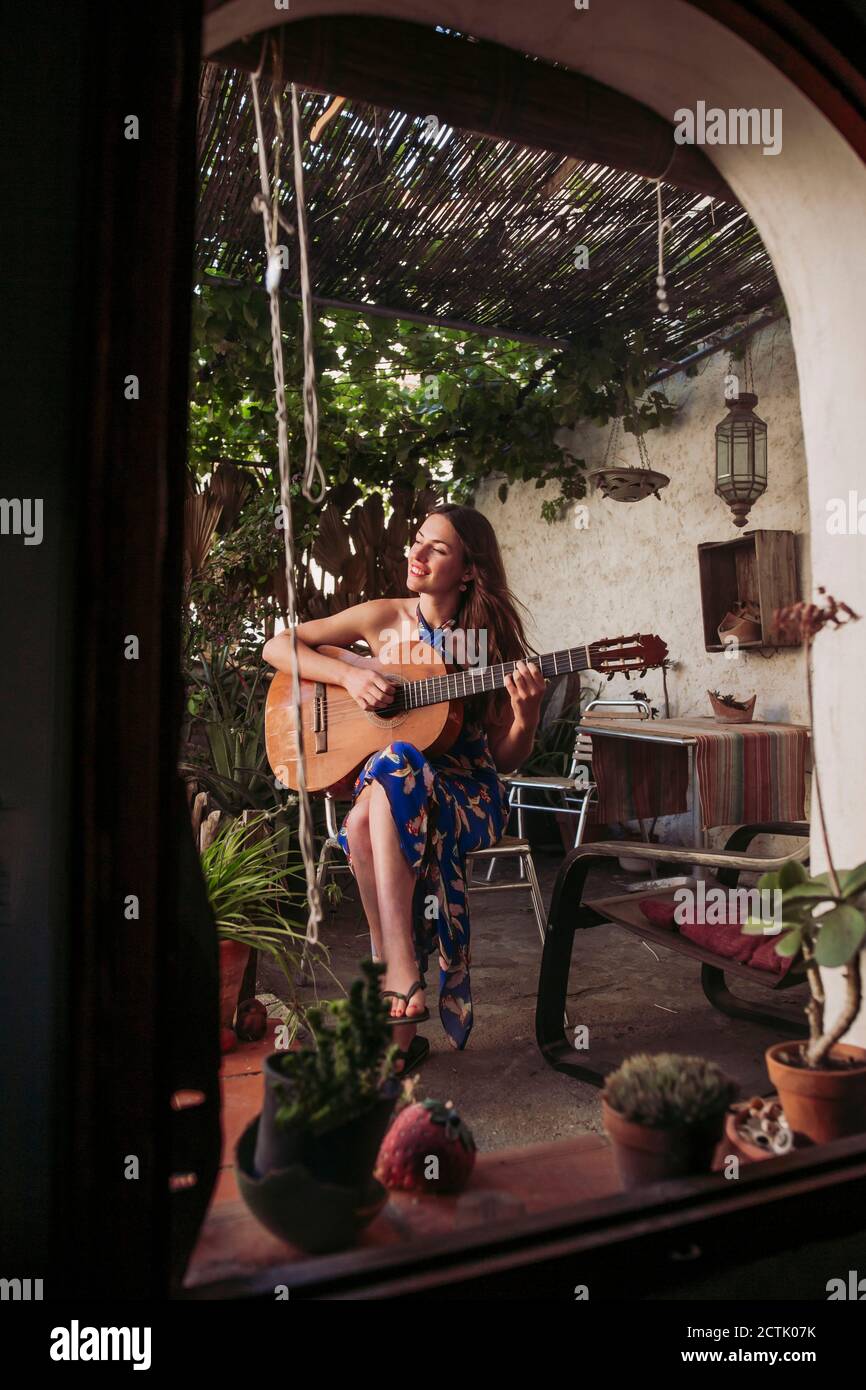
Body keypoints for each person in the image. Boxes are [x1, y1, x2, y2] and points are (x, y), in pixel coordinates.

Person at [262, 502, 545, 1070]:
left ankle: (394, 975)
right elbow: (278, 646)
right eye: (417, 540)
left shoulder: (487, 643)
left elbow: (506, 755)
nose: (415, 554)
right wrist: (352, 674)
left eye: (435, 549)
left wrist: (526, 719)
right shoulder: (383, 619)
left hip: (468, 793)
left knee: (372, 803)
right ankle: (401, 1001)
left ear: (468, 570)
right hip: (395, 787)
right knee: (387, 780)